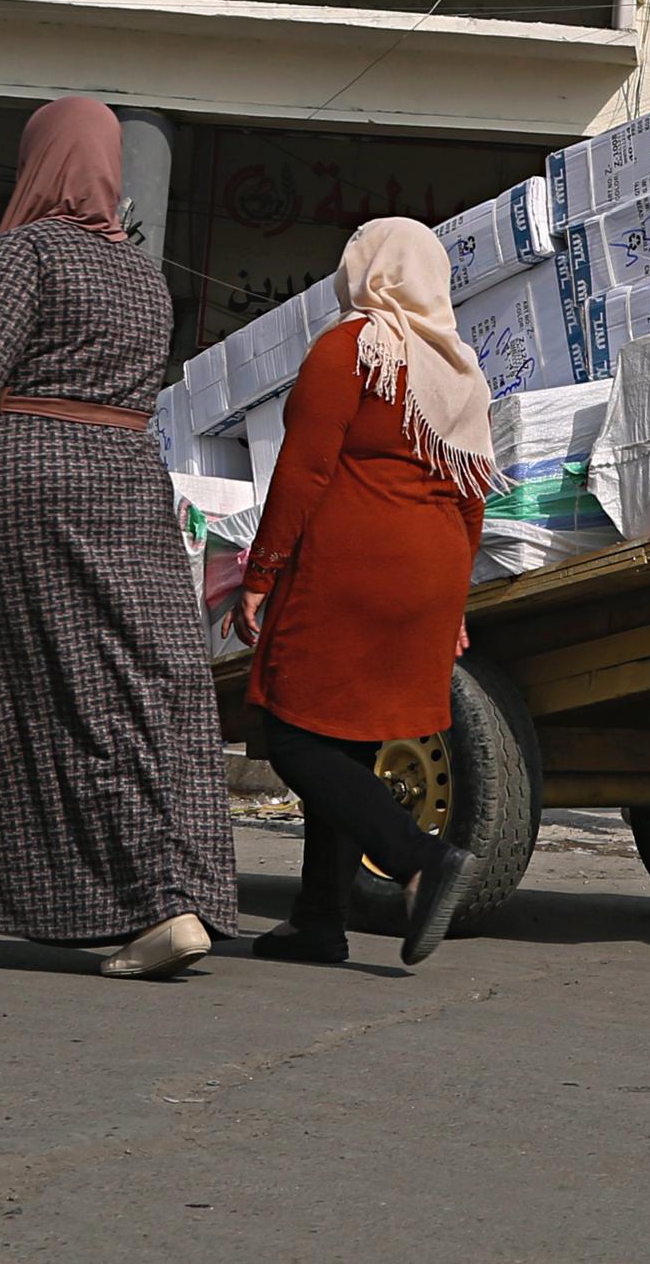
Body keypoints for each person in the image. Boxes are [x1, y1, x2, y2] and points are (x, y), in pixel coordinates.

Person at [0, 98, 235, 978]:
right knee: (131, 695)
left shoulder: (28, 249)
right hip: (127, 483)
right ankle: (167, 899)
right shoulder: (143, 275)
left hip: (21, 486)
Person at [233, 219, 489, 969]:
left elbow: (304, 472)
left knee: (292, 733)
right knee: (344, 740)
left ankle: (419, 857)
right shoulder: (457, 369)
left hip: (353, 565)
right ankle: (318, 921)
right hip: (434, 571)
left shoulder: (353, 350)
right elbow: (472, 496)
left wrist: (261, 573)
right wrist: (454, 604)